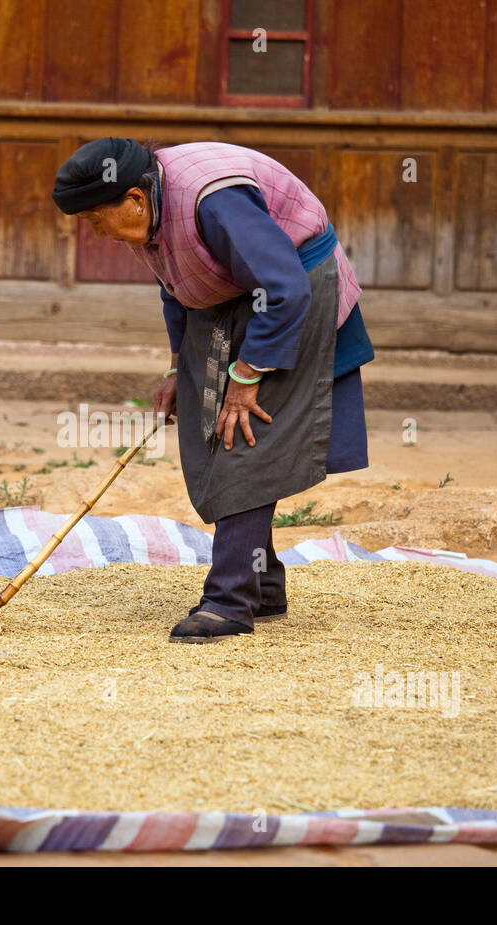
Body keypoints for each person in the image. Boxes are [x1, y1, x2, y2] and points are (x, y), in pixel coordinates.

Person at [51, 138, 373, 643]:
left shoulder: (213, 201)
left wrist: (247, 378)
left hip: (292, 295)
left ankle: (229, 602)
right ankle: (262, 584)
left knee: (244, 434)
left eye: (96, 220)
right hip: (229, 297)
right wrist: (178, 367)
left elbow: (284, 288)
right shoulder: (149, 218)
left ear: (134, 199)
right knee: (208, 423)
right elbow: (176, 284)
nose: (96, 233)